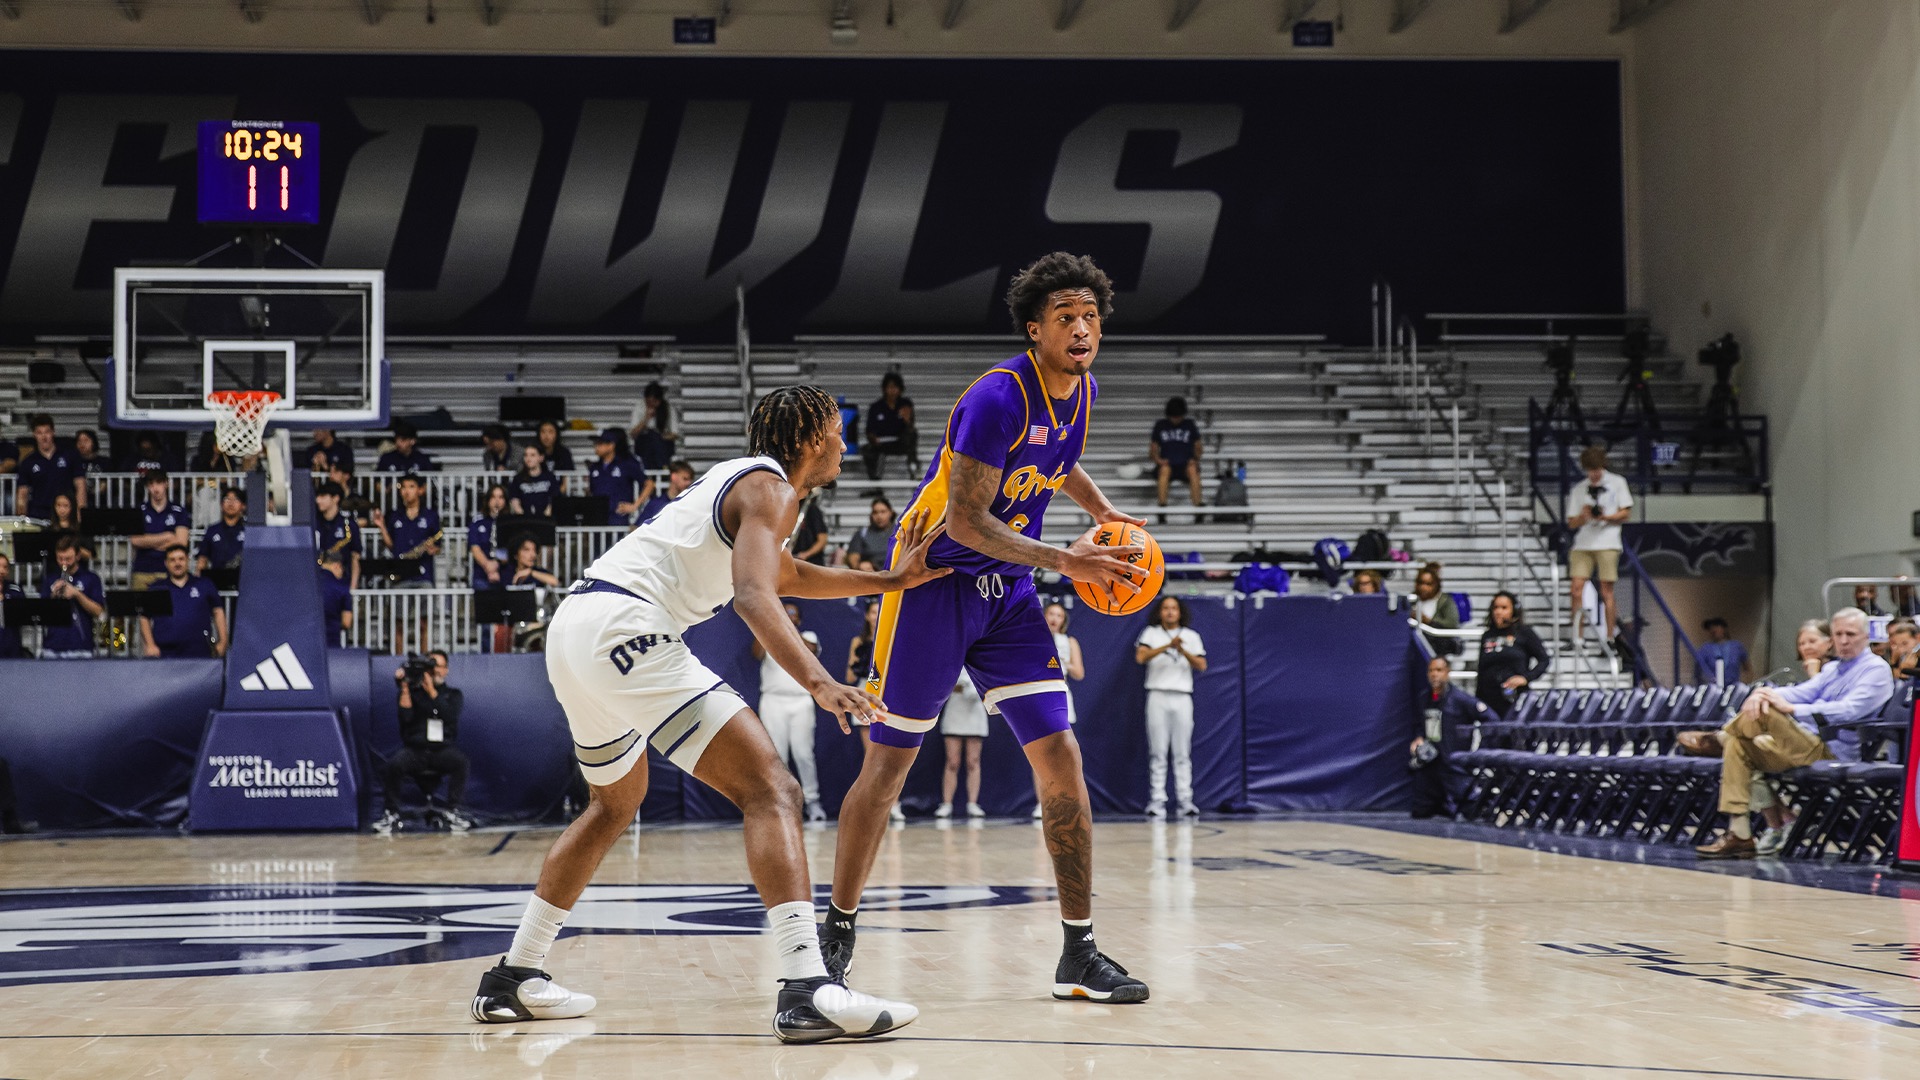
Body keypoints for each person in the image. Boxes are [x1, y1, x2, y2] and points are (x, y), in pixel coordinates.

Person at [471, 384, 942, 1040]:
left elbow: (788, 577)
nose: (845, 442)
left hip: (576, 627)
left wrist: (891, 582)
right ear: (810, 439)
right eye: (837, 430)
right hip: (627, 626)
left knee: (613, 804)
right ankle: (808, 986)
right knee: (772, 790)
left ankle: (511, 977)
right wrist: (817, 679)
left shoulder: (756, 492)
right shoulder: (770, 487)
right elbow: (753, 593)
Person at [823, 253, 1150, 1004]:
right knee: (889, 769)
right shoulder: (995, 398)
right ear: (1035, 329)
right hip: (933, 584)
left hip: (1008, 594)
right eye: (1065, 316)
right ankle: (836, 931)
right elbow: (969, 521)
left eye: (1091, 315)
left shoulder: (1084, 393)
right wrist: (1067, 561)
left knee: (1061, 757)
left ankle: (1079, 950)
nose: (1081, 327)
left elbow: (1059, 464)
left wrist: (1102, 514)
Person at [1684, 607, 1894, 859]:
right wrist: (1763, 693)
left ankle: (1720, 736)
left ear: (1865, 635)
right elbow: (1802, 692)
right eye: (1839, 634)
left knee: (1767, 713)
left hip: (1831, 750)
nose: (1844, 640)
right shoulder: (1833, 670)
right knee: (1739, 746)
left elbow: (1849, 710)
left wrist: (1790, 708)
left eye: (1851, 634)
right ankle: (1739, 834)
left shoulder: (1876, 670)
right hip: (1801, 744)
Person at [376, 650, 472, 834]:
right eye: (431, 666)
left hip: (441, 750)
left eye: (438, 666)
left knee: (461, 763)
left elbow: (449, 716)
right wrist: (405, 687)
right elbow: (405, 717)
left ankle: (453, 812)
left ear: (446, 670)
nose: (435, 671)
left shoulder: (453, 695)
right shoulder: (413, 693)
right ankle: (391, 815)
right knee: (394, 765)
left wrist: (433, 693)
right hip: (416, 750)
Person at [753, 603, 827, 823]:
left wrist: (784, 625)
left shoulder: (808, 636)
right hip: (773, 701)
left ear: (799, 620)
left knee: (803, 753)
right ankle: (781, 803)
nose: (787, 616)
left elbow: (810, 650)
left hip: (800, 702)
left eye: (792, 614)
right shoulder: (769, 635)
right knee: (777, 756)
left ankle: (812, 802)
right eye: (783, 612)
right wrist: (766, 626)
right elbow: (756, 653)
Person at [1136, 595, 1207, 819]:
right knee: (1157, 751)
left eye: (1174, 608)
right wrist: (1168, 645)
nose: (1169, 612)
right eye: (1165, 608)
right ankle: (1157, 800)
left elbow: (1202, 664)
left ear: (1180, 612)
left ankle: (1185, 800)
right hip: (1157, 694)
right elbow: (1141, 657)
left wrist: (1182, 650)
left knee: (1181, 751)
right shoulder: (1151, 633)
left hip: (1182, 696)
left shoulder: (1191, 636)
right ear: (1160, 612)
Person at [1409, 655, 1492, 819]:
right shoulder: (1424, 698)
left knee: (1470, 811)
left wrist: (1480, 752)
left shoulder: (1460, 699)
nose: (1434, 674)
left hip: (1453, 763)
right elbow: (1420, 723)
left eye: (1439, 670)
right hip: (1431, 763)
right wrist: (1418, 738)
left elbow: (1490, 719)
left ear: (1447, 672)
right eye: (1431, 670)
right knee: (1420, 812)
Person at [375, 474, 443, 655]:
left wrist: (432, 549)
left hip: (423, 575)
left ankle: (425, 659)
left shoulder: (430, 516)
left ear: (420, 490)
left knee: (424, 622)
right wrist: (381, 526)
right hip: (400, 574)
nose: (406, 491)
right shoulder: (394, 515)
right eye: (403, 487)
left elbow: (438, 546)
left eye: (411, 486)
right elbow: (391, 545)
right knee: (398, 622)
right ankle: (397, 658)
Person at [1034, 600, 1085, 818]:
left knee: (1064, 753)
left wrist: (1065, 662)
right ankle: (1042, 804)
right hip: (1040, 695)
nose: (1054, 618)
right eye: (1051, 614)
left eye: (1059, 615)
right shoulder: (1035, 639)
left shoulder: (1069, 641)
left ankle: (1066, 802)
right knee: (1040, 754)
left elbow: (1079, 673)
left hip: (1062, 695)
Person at [139, 545, 227, 659]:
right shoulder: (157, 588)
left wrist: (223, 640)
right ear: (166, 563)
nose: (177, 563)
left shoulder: (204, 584)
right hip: (164, 653)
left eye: (181, 559)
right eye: (172, 560)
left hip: (200, 653)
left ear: (188, 560)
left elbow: (218, 611)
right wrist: (150, 645)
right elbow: (144, 617)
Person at [1475, 591, 1548, 716]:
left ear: (1514, 610)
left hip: (1514, 698)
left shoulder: (1524, 633)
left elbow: (1544, 660)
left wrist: (1526, 678)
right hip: (1489, 698)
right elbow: (1481, 669)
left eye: (1504, 608)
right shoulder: (1487, 636)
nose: (1498, 612)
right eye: (1496, 607)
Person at [39, 534, 104, 659]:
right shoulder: (50, 579)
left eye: (68, 558)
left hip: (81, 647)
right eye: (60, 558)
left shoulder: (91, 578)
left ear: (78, 556)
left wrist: (77, 594)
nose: (64, 563)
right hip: (53, 647)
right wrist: (53, 595)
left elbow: (99, 612)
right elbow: (41, 613)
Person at [14, 414, 84, 521]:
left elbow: (80, 485)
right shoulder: (28, 462)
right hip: (38, 513)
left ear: (53, 432)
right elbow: (22, 493)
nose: (44, 437)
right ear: (34, 435)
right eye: (39, 433)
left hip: (65, 513)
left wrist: (80, 511)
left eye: (47, 432)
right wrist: (21, 516)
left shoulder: (69, 456)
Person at [129, 470, 190, 592]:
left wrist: (148, 541)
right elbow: (135, 540)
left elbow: (181, 543)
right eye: (151, 484)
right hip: (142, 570)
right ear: (147, 487)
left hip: (168, 572)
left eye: (159, 483)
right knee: (140, 609)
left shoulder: (178, 511)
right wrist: (167, 537)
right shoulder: (139, 510)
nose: (155, 488)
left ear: (166, 484)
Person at [935, 678, 987, 820]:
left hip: (975, 708)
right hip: (955, 706)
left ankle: (973, 804)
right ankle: (946, 804)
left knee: (973, 761)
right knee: (952, 761)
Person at [587, 428, 650, 527]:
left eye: (600, 443)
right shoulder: (594, 467)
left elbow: (649, 484)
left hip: (618, 518)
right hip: (597, 519)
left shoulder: (626, 464)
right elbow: (591, 491)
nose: (596, 447)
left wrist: (635, 505)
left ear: (611, 445)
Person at [1149, 396, 1203, 510]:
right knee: (1164, 471)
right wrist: (1159, 461)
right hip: (1168, 464)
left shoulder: (1189, 424)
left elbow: (1198, 446)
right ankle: (1162, 507)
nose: (1175, 419)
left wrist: (1195, 459)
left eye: (1178, 416)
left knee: (1193, 470)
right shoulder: (1161, 425)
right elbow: (1153, 449)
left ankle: (1198, 507)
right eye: (1173, 417)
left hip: (1185, 465)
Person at [1410, 563, 1462, 656]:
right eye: (1421, 583)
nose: (1423, 587)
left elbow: (1452, 623)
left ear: (1436, 585)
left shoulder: (1445, 601)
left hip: (1438, 648)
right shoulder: (1411, 600)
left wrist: (1429, 621)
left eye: (1428, 584)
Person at [197, 487, 247, 576]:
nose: (231, 503)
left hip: (243, 580)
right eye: (227, 499)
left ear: (243, 506)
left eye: (236, 499)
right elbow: (202, 559)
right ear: (221, 505)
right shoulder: (212, 530)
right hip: (217, 580)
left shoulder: (248, 531)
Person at [469, 483, 510, 590]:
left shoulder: (510, 523)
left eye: (500, 497)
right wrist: (488, 566)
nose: (497, 501)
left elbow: (511, 548)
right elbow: (475, 548)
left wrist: (496, 564)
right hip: (481, 575)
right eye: (493, 497)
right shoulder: (477, 522)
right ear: (487, 500)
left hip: (505, 574)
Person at [629, 381, 678, 470]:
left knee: (655, 438)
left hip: (664, 445)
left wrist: (661, 437)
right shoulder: (639, 407)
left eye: (654, 401)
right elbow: (633, 434)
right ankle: (662, 465)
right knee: (651, 437)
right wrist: (646, 419)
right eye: (648, 402)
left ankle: (654, 468)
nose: (651, 404)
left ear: (659, 400)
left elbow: (674, 434)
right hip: (643, 445)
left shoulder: (668, 408)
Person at [841, 497, 898, 573]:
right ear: (871, 515)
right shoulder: (862, 534)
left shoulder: (900, 532)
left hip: (897, 575)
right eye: (875, 512)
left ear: (891, 513)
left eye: (883, 512)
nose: (879, 516)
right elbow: (853, 558)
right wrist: (859, 566)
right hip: (870, 576)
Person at [1694, 617, 1753, 685]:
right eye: (1710, 628)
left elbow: (1748, 668)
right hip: (1714, 689)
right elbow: (1697, 672)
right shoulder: (1705, 649)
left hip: (1733, 688)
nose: (1713, 630)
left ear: (1724, 629)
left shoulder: (1736, 646)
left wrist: (1745, 685)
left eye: (1716, 626)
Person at [509, 443, 560, 517]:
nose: (528, 458)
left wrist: (545, 517)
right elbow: (515, 501)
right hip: (524, 521)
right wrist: (524, 518)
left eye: (532, 455)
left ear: (541, 457)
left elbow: (554, 500)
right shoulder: (517, 479)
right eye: (526, 455)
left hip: (547, 521)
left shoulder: (550, 477)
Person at [45, 492, 96, 566]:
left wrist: (73, 550)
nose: (62, 510)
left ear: (72, 507)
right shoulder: (49, 531)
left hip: (79, 570)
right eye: (58, 505)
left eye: (66, 506)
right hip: (54, 570)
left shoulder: (82, 529)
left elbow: (91, 555)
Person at [0, 553, 25, 659]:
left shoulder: (15, 589)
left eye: (5, 567)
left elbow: (24, 612)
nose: (1, 570)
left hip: (11, 647)